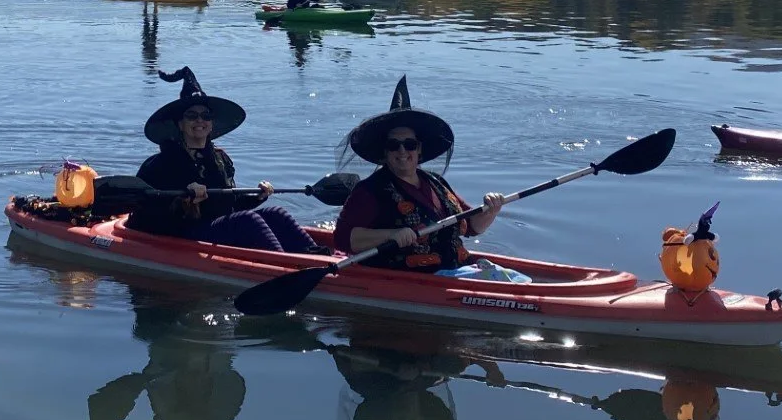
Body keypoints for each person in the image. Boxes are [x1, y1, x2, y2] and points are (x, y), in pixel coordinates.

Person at [332, 77, 522, 280]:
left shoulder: (436, 182)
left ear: (419, 148)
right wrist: (391, 235)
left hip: (456, 270)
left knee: (516, 278)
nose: (402, 151)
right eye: (394, 145)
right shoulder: (369, 191)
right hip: (411, 279)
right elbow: (342, 239)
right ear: (385, 152)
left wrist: (492, 209)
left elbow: (472, 227)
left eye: (410, 144)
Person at [130, 67, 320, 254]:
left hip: (217, 227)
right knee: (248, 221)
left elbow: (229, 203)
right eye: (191, 116)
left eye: (205, 116)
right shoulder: (160, 164)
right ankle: (285, 269)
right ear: (180, 124)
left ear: (212, 124)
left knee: (278, 214)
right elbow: (146, 215)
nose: (199, 121)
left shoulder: (221, 159)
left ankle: (319, 258)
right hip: (185, 232)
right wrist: (184, 200)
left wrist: (257, 197)